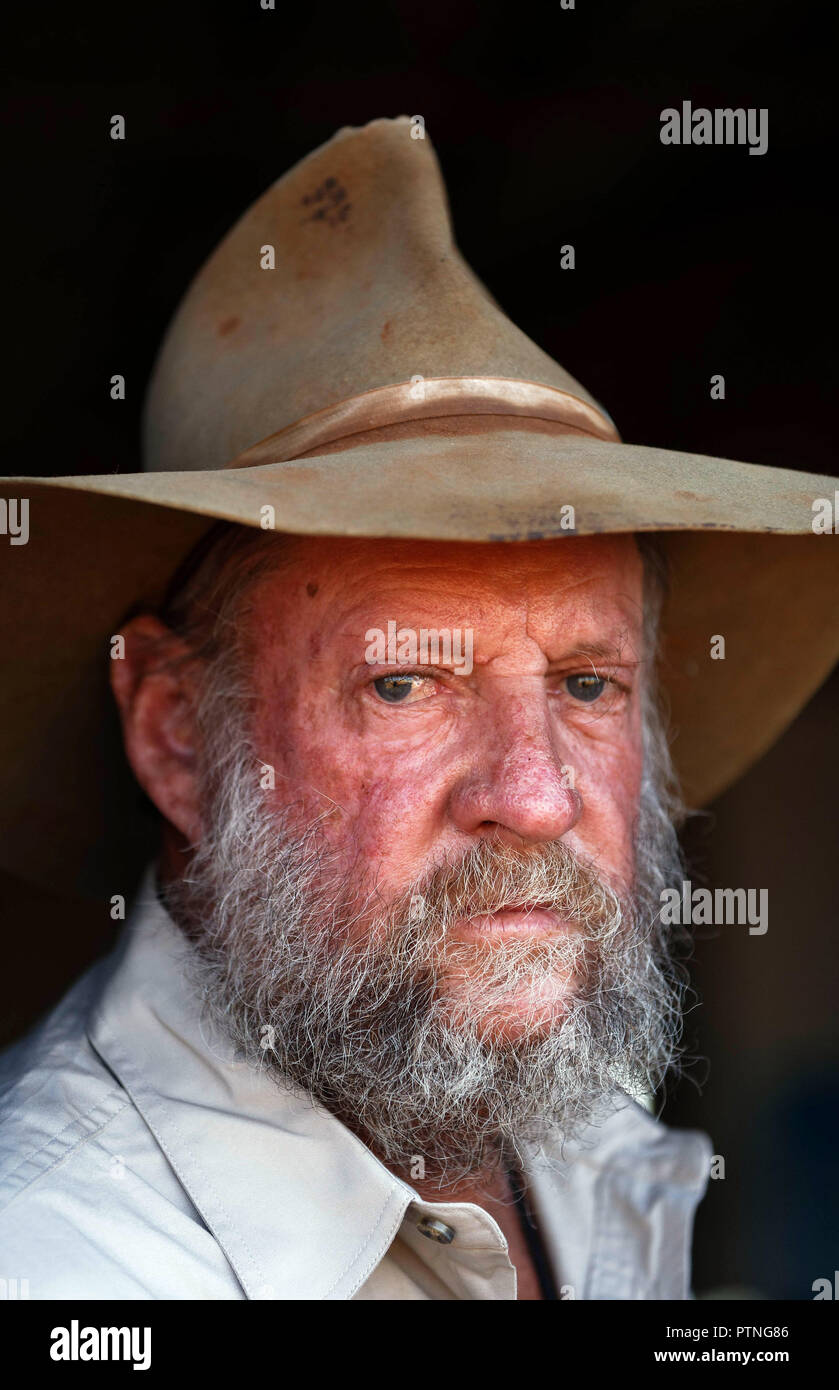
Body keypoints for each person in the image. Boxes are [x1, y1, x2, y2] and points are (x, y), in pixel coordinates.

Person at [1, 117, 836, 1300]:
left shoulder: (582, 1143)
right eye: (405, 682)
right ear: (178, 734)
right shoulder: (58, 1264)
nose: (536, 797)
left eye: (585, 683)